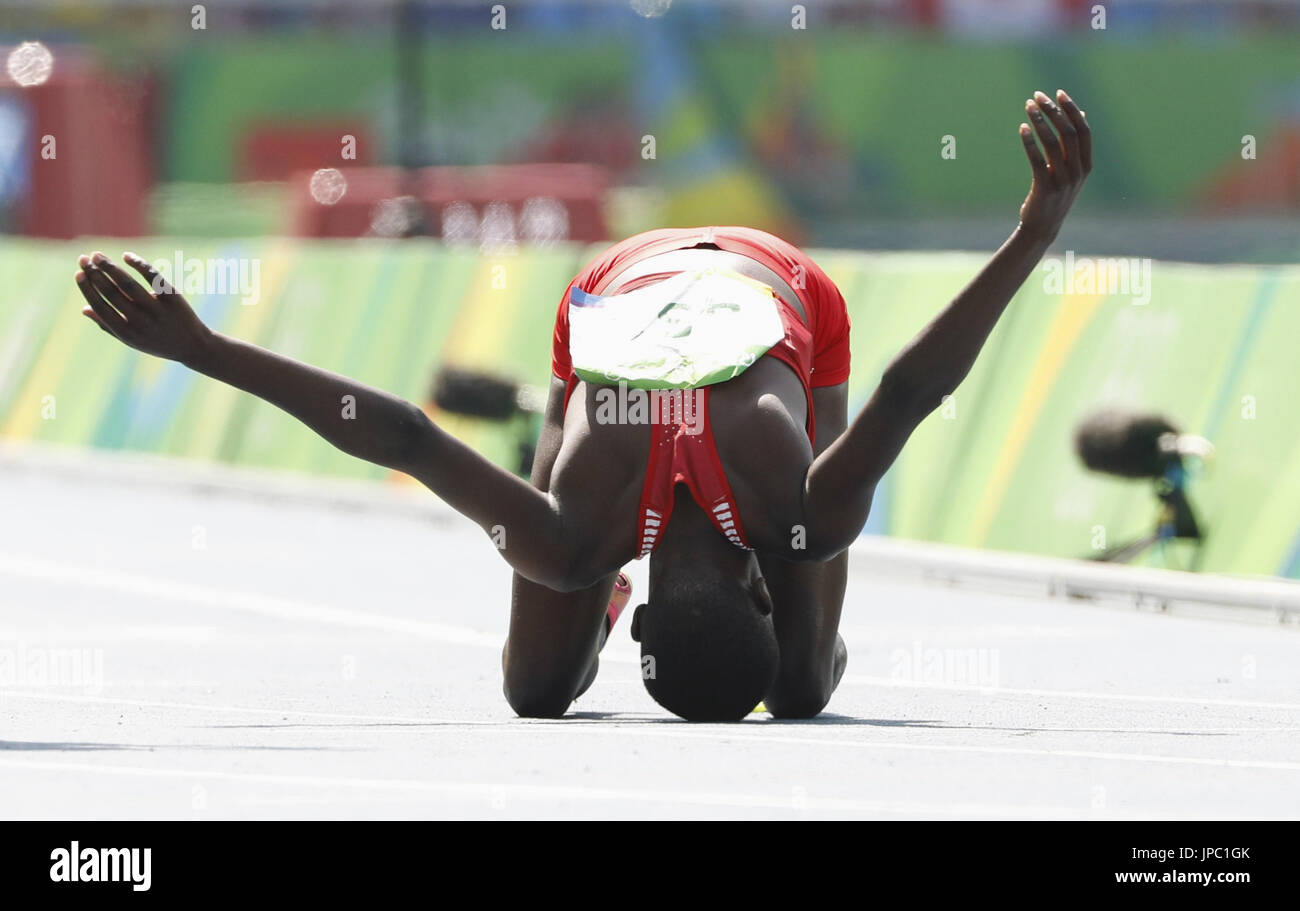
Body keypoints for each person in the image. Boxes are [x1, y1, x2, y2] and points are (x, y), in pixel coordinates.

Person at [74, 89, 1091, 722]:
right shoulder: (586, 535)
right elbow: (404, 435)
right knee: (788, 682)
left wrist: (1033, 231)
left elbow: (913, 390)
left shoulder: (769, 517)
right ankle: (718, 615)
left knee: (567, 683)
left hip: (671, 292)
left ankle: (732, 612)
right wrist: (201, 349)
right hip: (735, 290)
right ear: (644, 614)